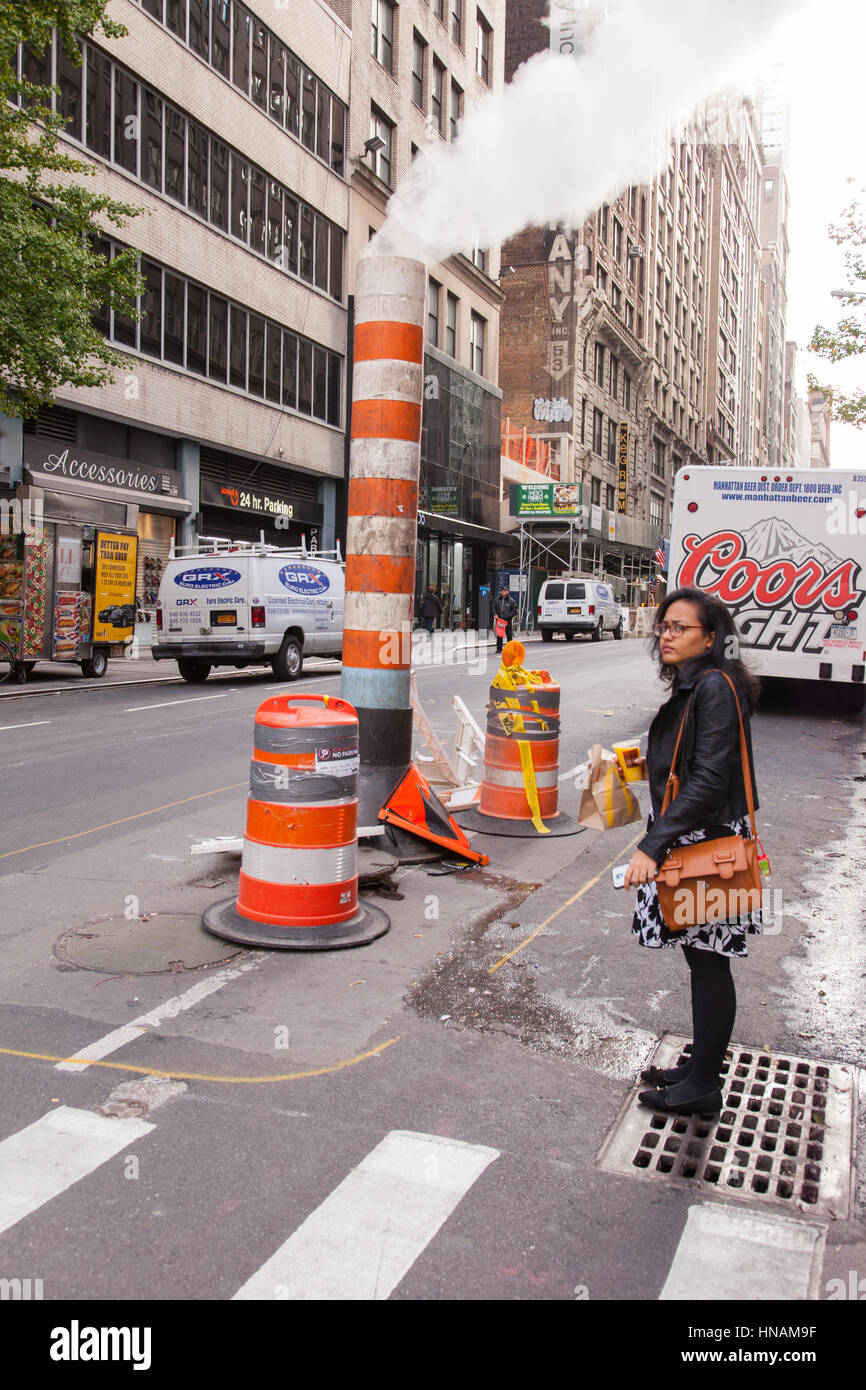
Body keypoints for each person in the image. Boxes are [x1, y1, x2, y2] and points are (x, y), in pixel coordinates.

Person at [624, 585, 761, 1118]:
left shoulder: (714, 687)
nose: (666, 634)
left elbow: (709, 779)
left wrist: (652, 845)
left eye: (679, 627)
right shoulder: (697, 684)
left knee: (709, 964)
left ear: (711, 637)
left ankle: (704, 1084)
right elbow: (689, 763)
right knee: (700, 959)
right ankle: (700, 1066)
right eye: (664, 625)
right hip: (693, 834)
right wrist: (640, 768)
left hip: (706, 843)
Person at [492, 585, 517, 653]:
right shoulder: (496, 600)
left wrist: (508, 617)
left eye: (505, 591)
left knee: (509, 634)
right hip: (500, 621)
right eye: (502, 591)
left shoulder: (512, 601)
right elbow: (493, 607)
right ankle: (499, 648)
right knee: (499, 635)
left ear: (507, 592)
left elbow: (514, 611)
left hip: (507, 621)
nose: (503, 592)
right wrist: (495, 614)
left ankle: (510, 648)